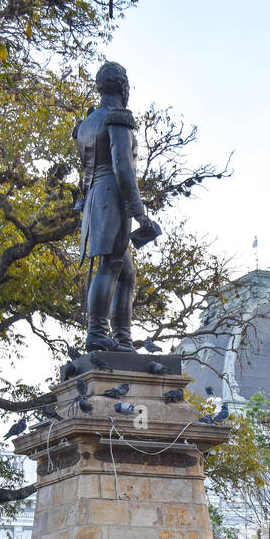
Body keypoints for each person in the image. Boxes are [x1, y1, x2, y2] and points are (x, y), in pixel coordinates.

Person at [73, 61, 160, 353]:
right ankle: (97, 333)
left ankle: (122, 337)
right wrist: (139, 214)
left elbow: (84, 171)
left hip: (93, 198)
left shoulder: (86, 123)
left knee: (126, 274)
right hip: (113, 195)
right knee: (109, 265)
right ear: (124, 88)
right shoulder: (117, 118)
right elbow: (123, 168)